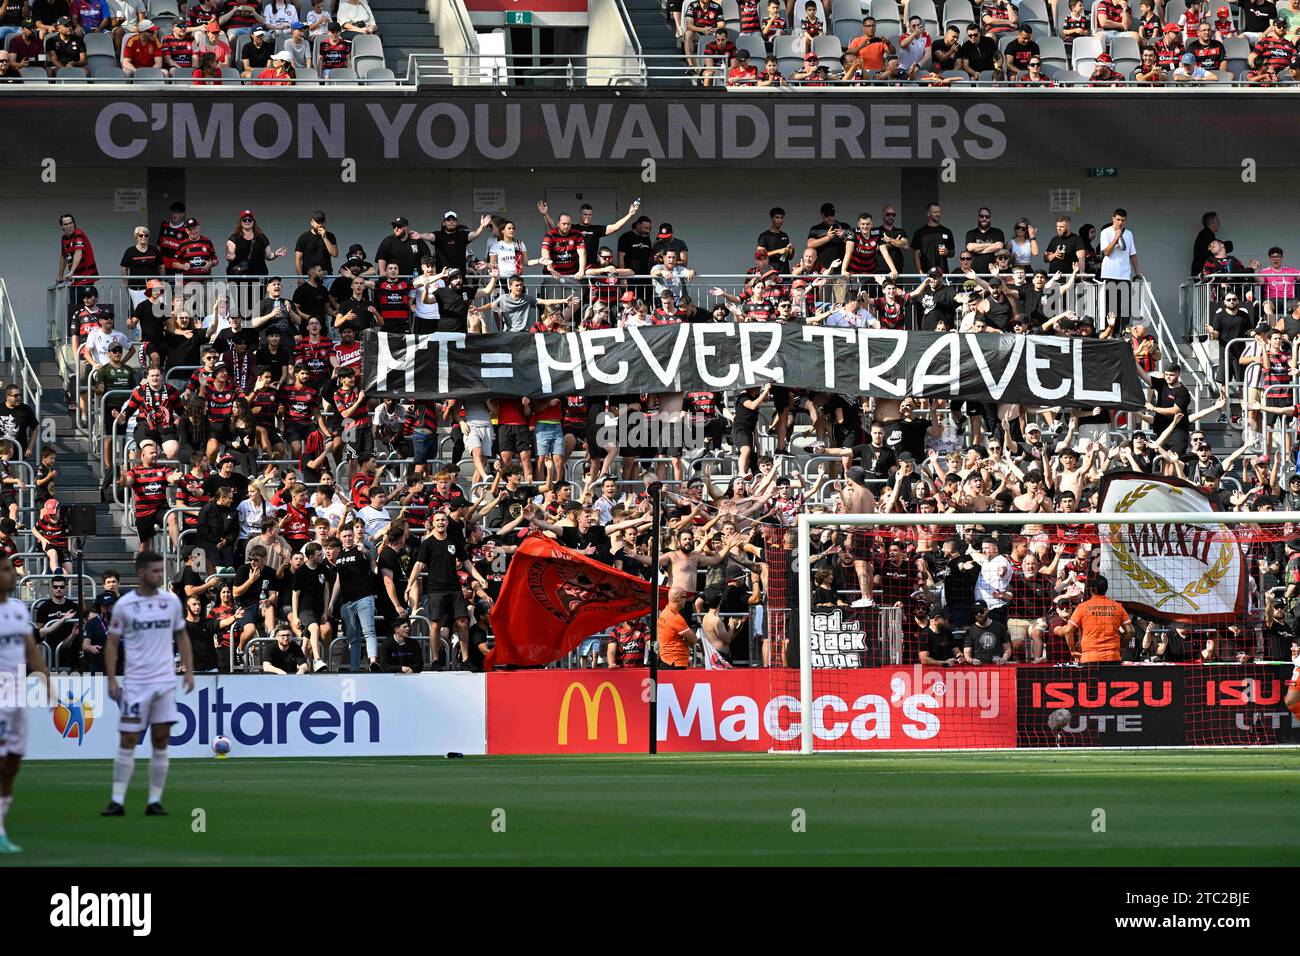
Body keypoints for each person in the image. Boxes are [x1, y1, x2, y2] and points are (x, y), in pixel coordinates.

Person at [102, 551, 193, 817]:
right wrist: (111, 678)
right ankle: (117, 799)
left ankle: (154, 800)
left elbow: (182, 635)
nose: (159, 575)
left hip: (165, 681)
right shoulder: (125, 605)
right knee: (129, 738)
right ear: (141, 573)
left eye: (160, 570)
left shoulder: (171, 602)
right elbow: (112, 643)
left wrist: (188, 670)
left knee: (161, 738)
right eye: (154, 571)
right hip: (136, 682)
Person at [0, 556, 49, 854]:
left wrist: (46, 681)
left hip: (17, 695)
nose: (13, 574)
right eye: (6, 570)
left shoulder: (19, 609)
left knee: (14, 762)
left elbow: (31, 650)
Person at [1064, 574, 1131, 662]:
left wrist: (1073, 650)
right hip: (1112, 658)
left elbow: (1068, 631)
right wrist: (1121, 649)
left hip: (1089, 658)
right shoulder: (1118, 607)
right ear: (1106, 589)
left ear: (1091, 590)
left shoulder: (1082, 607)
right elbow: (1130, 631)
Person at [656, 586, 696, 668]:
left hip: (666, 660)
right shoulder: (675, 618)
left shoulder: (664, 613)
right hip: (675, 662)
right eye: (685, 597)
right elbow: (694, 639)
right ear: (678, 598)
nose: (686, 600)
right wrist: (686, 641)